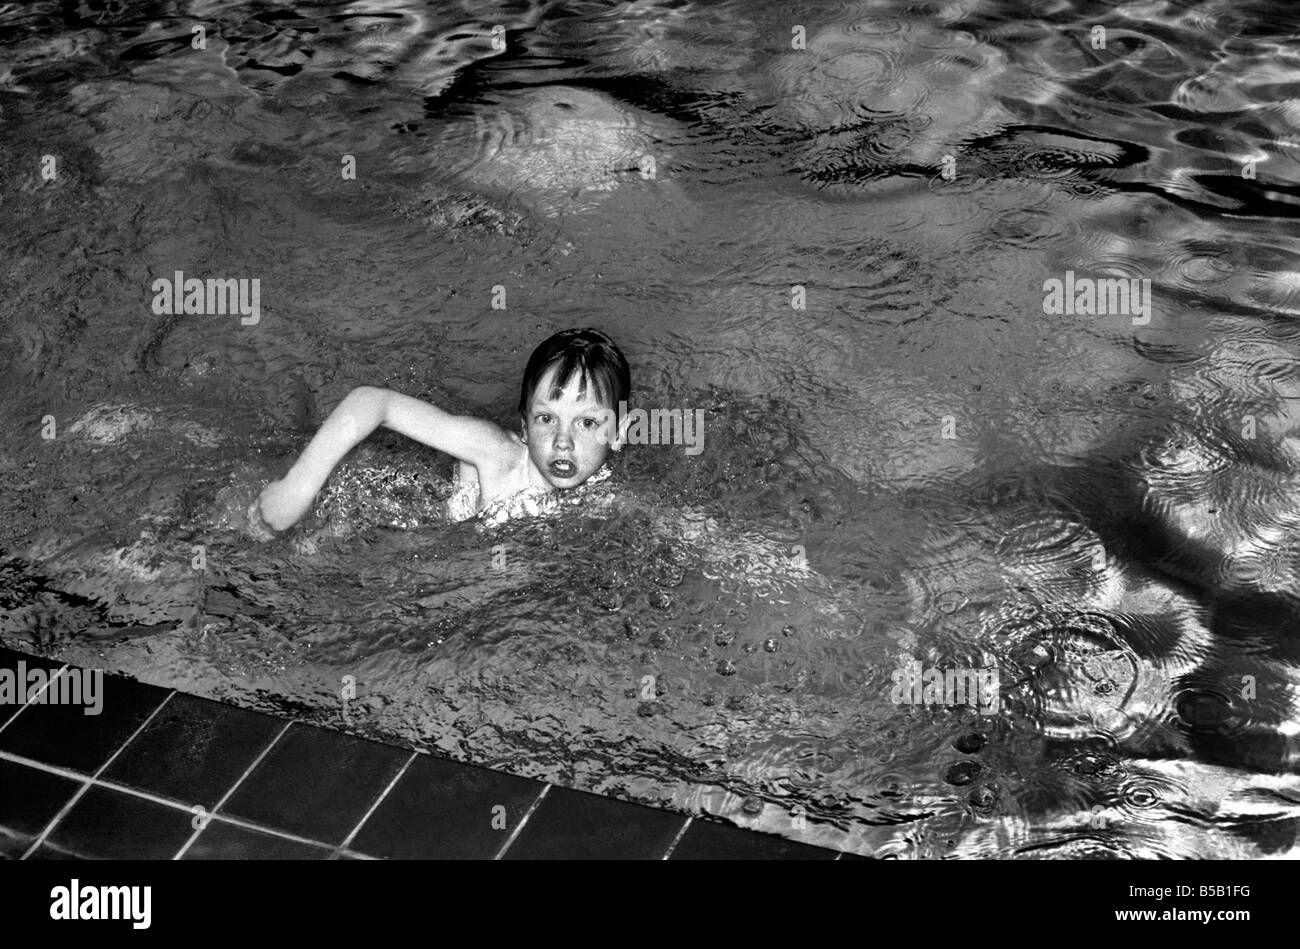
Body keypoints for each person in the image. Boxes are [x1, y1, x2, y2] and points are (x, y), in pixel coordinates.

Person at [256, 328, 630, 531]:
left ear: (618, 432)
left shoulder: (606, 493)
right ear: (524, 426)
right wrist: (298, 487)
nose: (563, 441)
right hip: (406, 500)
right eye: (546, 419)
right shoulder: (496, 455)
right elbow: (373, 402)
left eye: (587, 423)